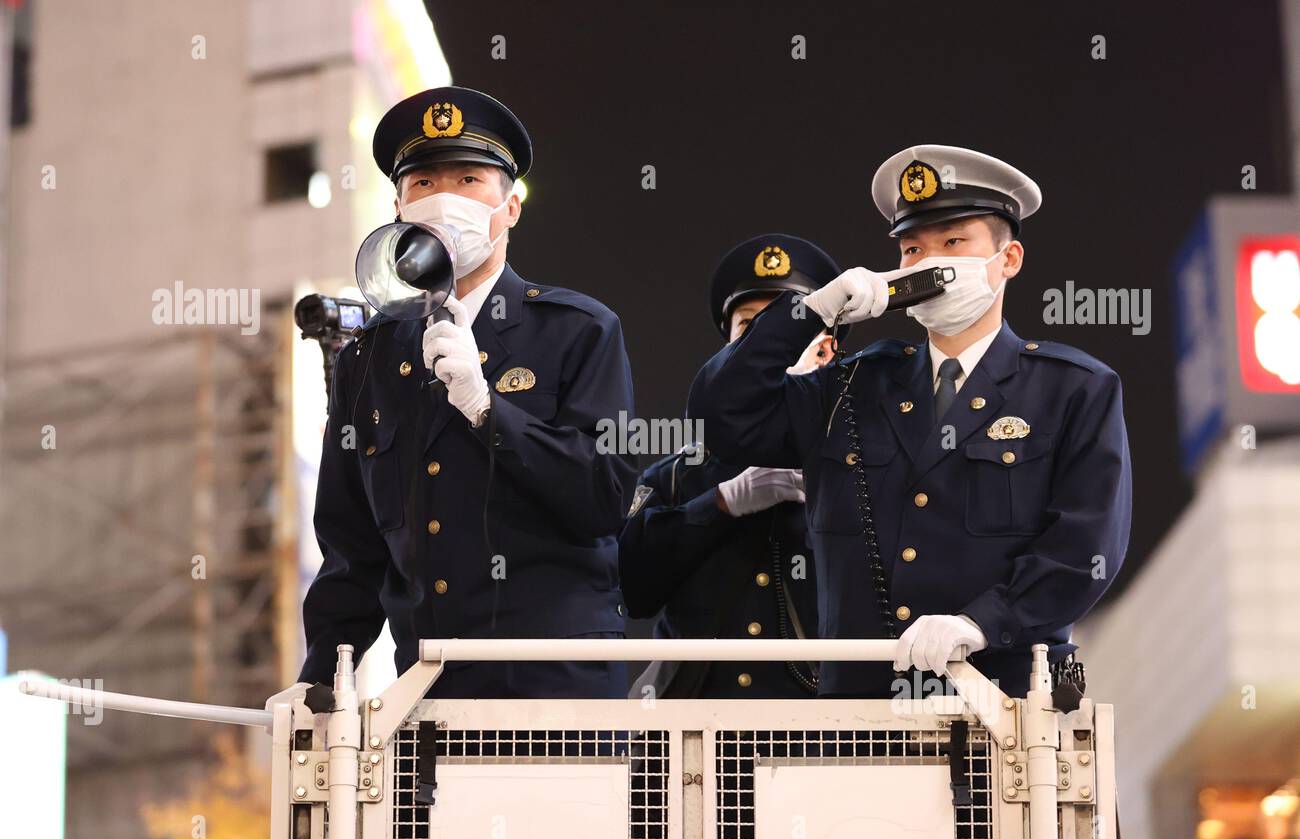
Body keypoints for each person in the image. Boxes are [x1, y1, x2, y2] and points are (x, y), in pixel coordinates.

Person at [687, 145, 1132, 698]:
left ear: (1009, 259)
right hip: (859, 721)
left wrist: (982, 622)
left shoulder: (1074, 389)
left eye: (953, 242)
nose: (928, 263)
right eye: (912, 249)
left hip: (1004, 710)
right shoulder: (852, 384)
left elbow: (1086, 548)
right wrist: (809, 313)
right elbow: (719, 415)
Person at [285, 86, 637, 701]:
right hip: (425, 696)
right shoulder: (368, 359)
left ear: (511, 208)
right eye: (422, 182)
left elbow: (604, 497)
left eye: (469, 179)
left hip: (558, 691)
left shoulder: (578, 329)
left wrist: (488, 411)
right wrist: (318, 678)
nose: (444, 198)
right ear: (397, 206)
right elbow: (352, 551)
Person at [622, 235, 841, 699]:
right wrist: (717, 504)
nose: (766, 340)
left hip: (817, 727)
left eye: (783, 325)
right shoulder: (676, 475)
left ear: (826, 349)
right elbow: (634, 589)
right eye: (748, 328)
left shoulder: (854, 466)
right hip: (691, 725)